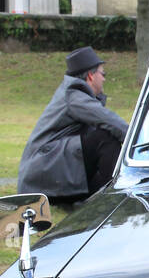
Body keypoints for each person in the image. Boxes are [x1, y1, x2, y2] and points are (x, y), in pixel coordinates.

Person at [17, 47, 128, 202]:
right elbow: (109, 120)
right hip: (42, 178)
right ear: (90, 75)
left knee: (99, 136)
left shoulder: (74, 93)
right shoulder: (74, 95)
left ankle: (104, 195)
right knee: (104, 137)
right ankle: (111, 198)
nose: (104, 79)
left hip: (48, 169)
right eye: (103, 74)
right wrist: (138, 139)